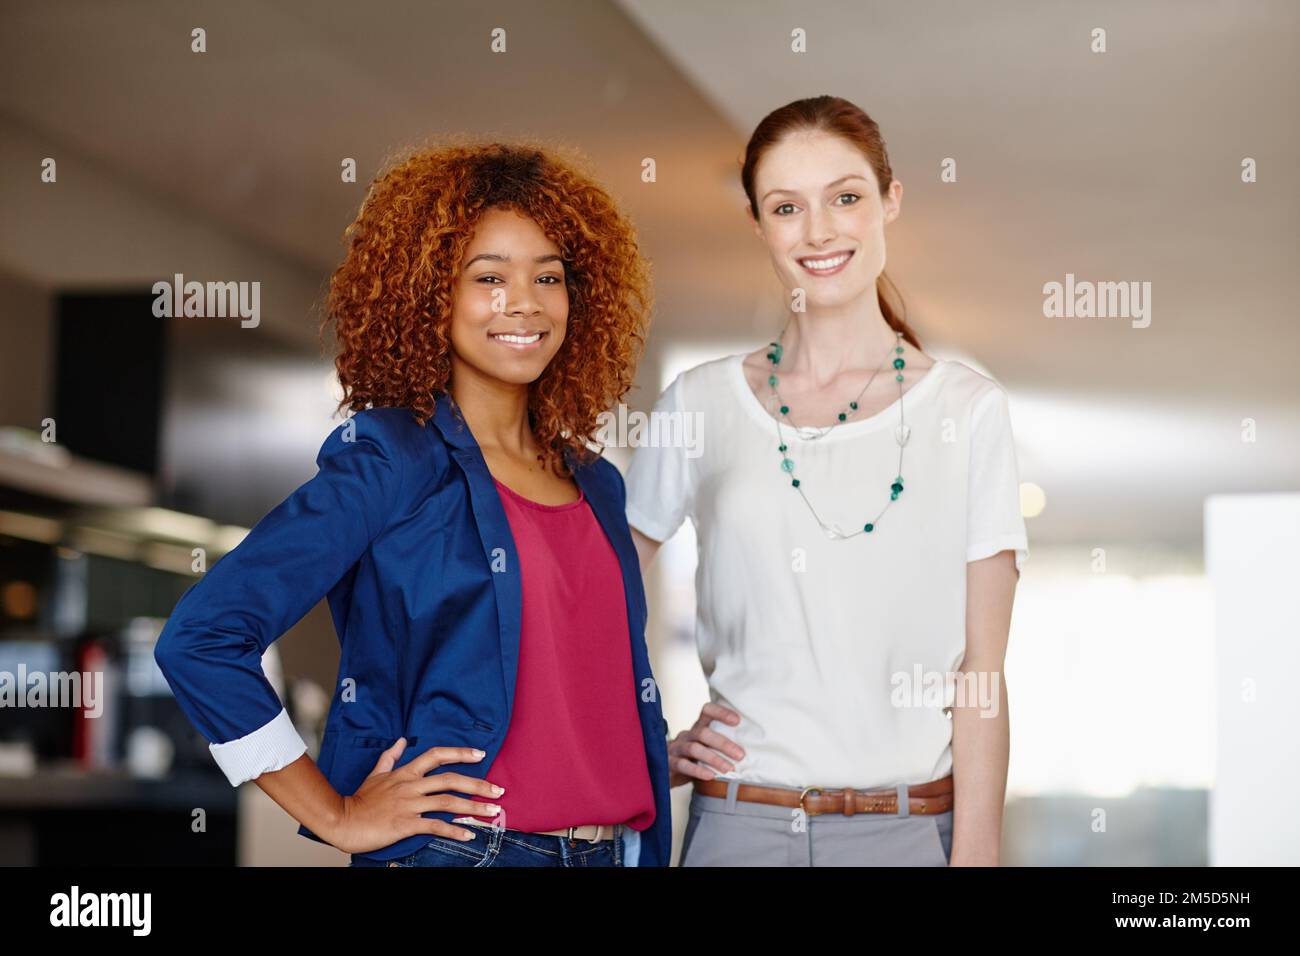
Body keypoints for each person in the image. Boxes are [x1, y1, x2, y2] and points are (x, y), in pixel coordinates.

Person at [154, 140, 670, 867]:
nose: (523, 301)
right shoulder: (394, 462)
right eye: (488, 276)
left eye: (547, 276)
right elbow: (200, 640)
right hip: (470, 855)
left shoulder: (596, 483)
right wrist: (335, 814)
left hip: (617, 852)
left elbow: (565, 687)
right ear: (431, 295)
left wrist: (651, 750)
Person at [624, 96, 1028, 866]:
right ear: (758, 225)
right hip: (739, 828)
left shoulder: (971, 412)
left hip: (909, 832)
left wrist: (977, 858)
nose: (819, 231)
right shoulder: (701, 403)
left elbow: (983, 674)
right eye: (786, 207)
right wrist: (644, 749)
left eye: (845, 197)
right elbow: (592, 596)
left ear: (890, 201)